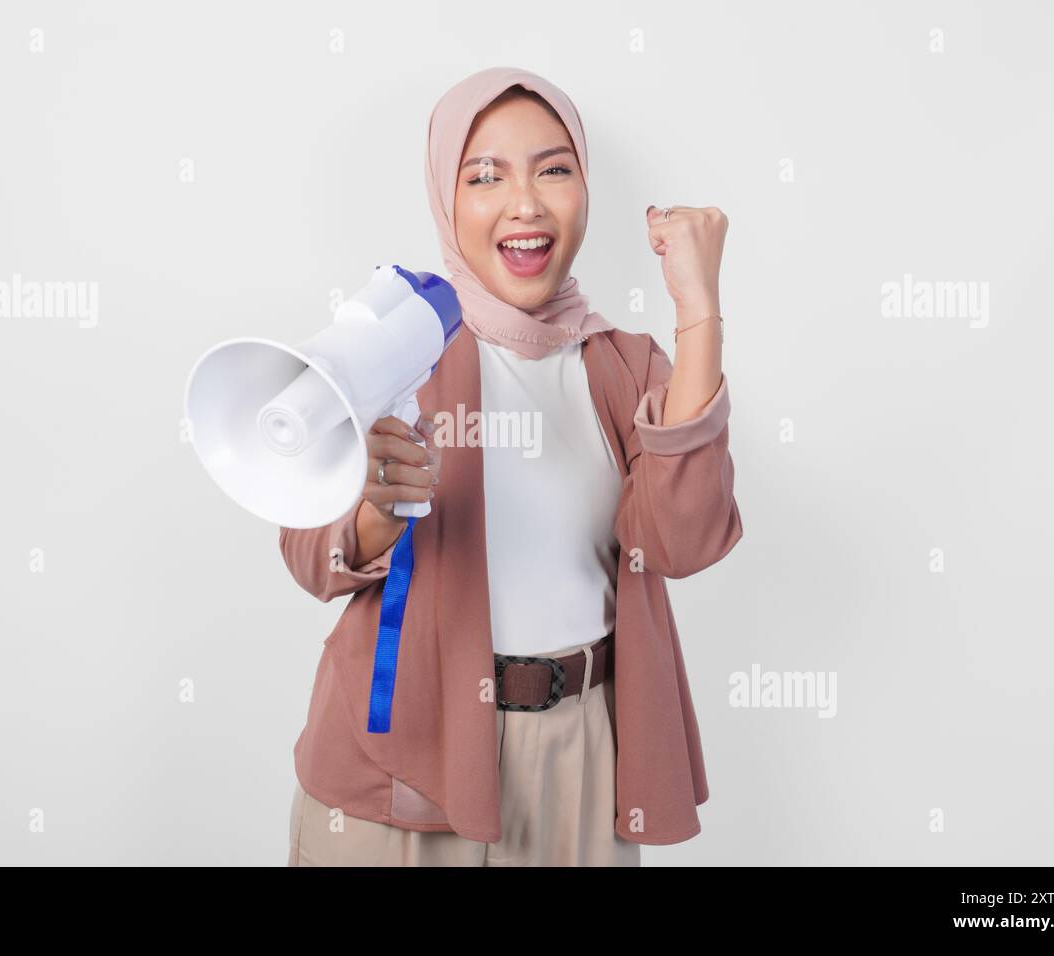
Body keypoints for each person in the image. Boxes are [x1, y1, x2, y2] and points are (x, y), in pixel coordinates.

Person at [282, 66, 740, 866]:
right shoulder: (396, 341)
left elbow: (683, 542)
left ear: (584, 191)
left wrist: (699, 312)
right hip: (404, 756)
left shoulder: (626, 368)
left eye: (553, 170)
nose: (524, 203)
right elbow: (308, 556)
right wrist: (371, 516)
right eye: (485, 175)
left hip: (582, 755)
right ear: (444, 197)